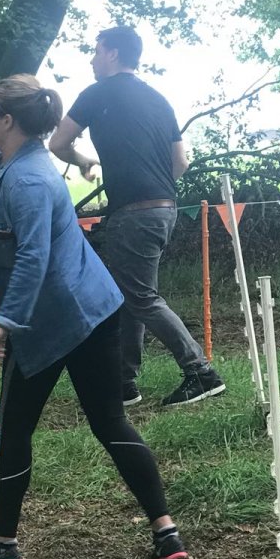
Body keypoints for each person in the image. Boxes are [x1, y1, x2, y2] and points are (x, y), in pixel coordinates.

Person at [0, 75, 189, 559]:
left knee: (20, 432)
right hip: (94, 309)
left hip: (57, 322)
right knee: (109, 422)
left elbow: (32, 257)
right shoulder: (1, 161)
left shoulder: (28, 180)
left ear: (7, 120)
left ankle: (3, 547)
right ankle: (166, 532)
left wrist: (2, 323)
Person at [48, 26, 224, 407]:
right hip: (164, 208)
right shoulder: (159, 99)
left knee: (141, 297)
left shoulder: (96, 94)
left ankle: (200, 371)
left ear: (112, 54)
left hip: (134, 213)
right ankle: (124, 383)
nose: (92, 59)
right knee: (129, 295)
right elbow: (181, 162)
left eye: (96, 52)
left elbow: (57, 143)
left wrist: (83, 162)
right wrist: (156, 191)